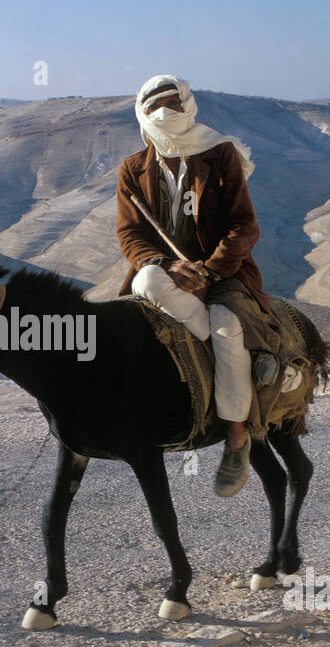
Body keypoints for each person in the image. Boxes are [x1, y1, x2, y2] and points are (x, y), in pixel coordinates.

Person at [115, 74, 278, 497]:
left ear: (188, 105)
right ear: (143, 114)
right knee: (145, 281)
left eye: (173, 103)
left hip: (222, 272)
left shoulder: (220, 154)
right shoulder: (133, 169)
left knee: (226, 322)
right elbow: (129, 234)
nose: (165, 112)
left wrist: (208, 270)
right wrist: (166, 263)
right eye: (155, 107)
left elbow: (244, 225)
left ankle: (237, 435)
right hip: (166, 275)